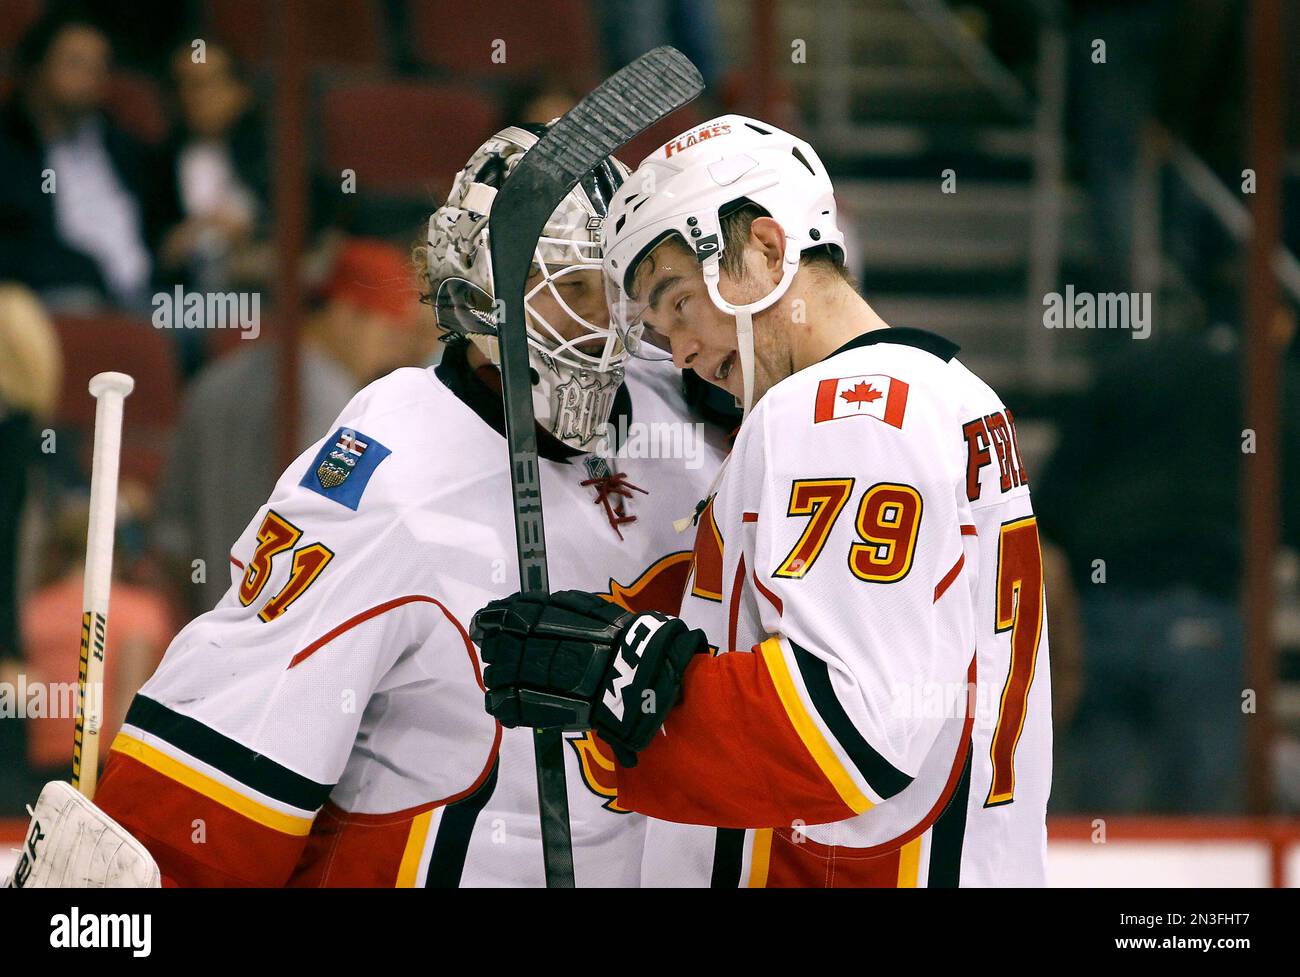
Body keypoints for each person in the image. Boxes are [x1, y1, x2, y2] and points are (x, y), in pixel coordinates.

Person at [70, 125, 724, 887]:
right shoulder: (390, 476)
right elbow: (224, 760)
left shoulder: (688, 411)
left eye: (618, 288)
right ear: (483, 290)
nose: (607, 326)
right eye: (574, 288)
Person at [473, 116, 1053, 887]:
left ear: (769, 252)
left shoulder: (831, 413)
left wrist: (614, 676)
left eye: (678, 302)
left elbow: (850, 733)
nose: (677, 350)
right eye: (656, 324)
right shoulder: (954, 393)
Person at [151, 237, 426, 618]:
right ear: (346, 313)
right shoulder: (342, 404)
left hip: (211, 626)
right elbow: (338, 534)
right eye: (389, 331)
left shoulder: (215, 381)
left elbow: (172, 537)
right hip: (294, 626)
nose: (394, 352)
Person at [0, 10, 153, 311]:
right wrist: (87, 270)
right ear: (36, 69)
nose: (90, 77)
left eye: (99, 67)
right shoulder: (9, 150)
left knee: (238, 314)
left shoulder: (124, 146)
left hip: (147, 296)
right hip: (54, 302)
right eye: (75, 63)